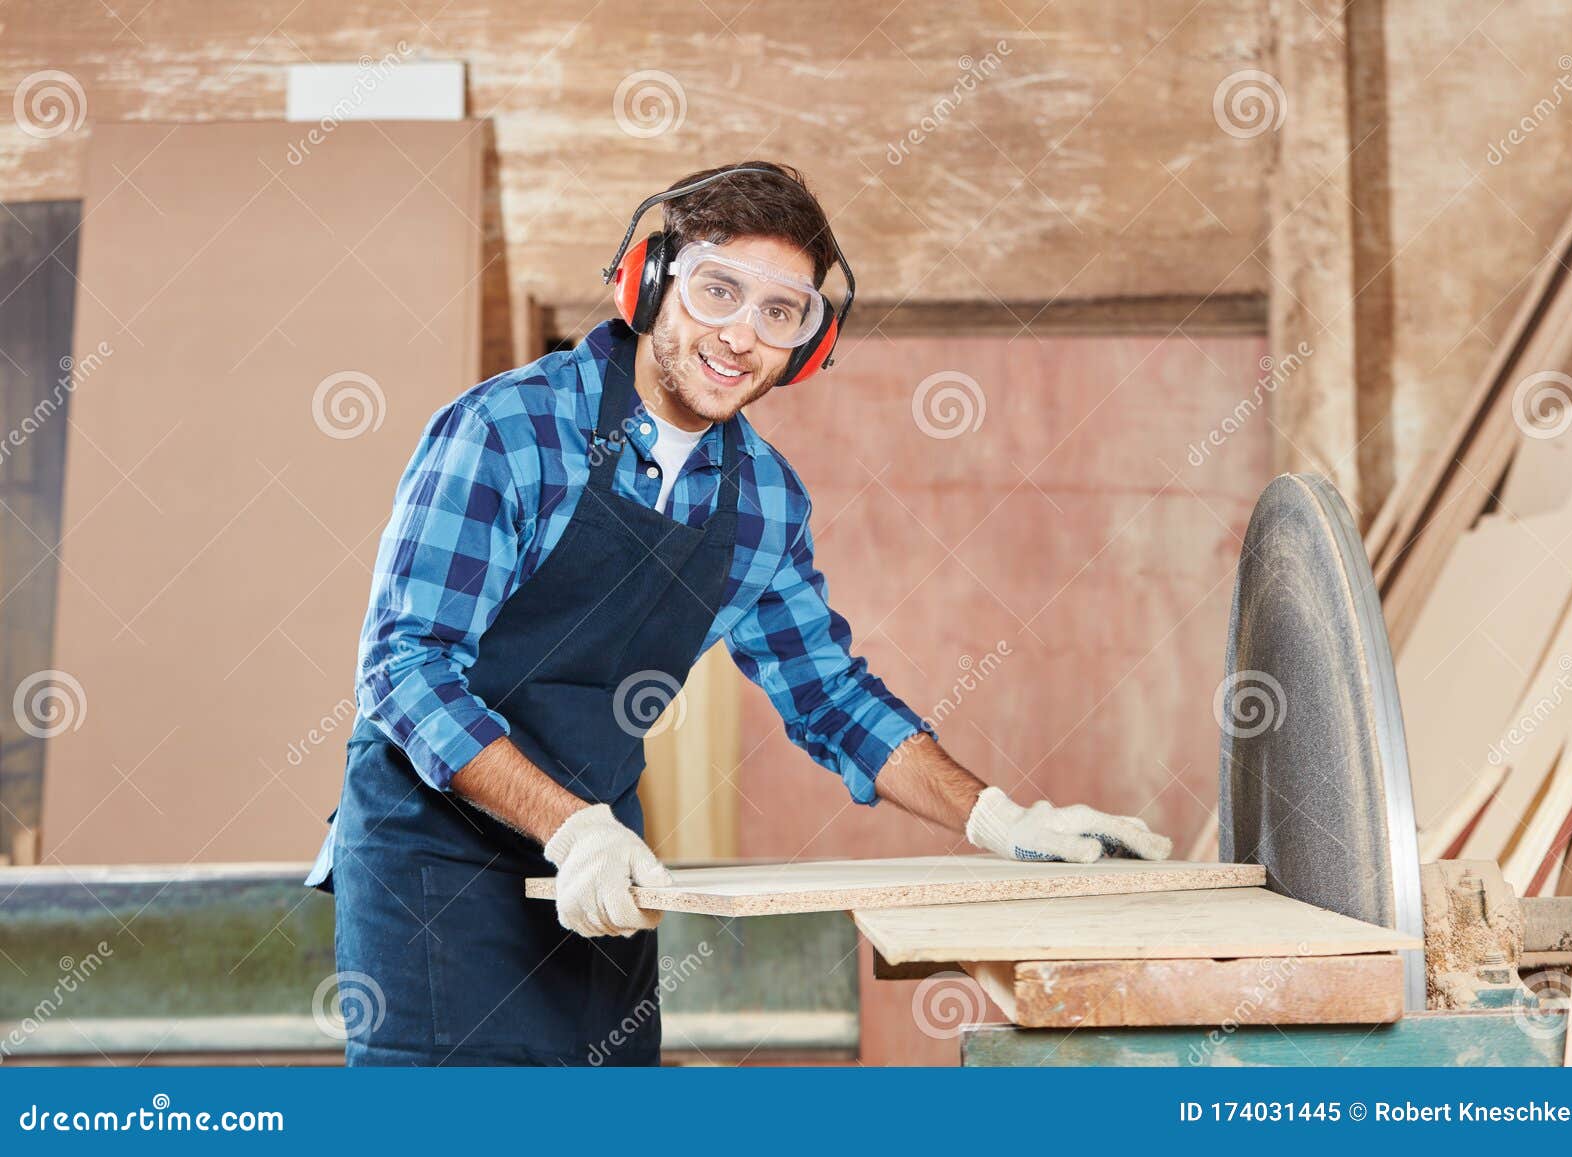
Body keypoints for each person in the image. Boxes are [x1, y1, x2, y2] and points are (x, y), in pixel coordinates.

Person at [306, 160, 1172, 1066]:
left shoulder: (763, 497)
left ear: (809, 342)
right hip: (438, 861)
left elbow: (830, 696)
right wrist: (570, 827)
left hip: (604, 866)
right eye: (718, 290)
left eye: (779, 311)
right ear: (649, 282)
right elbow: (404, 667)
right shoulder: (510, 430)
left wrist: (999, 819)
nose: (740, 336)